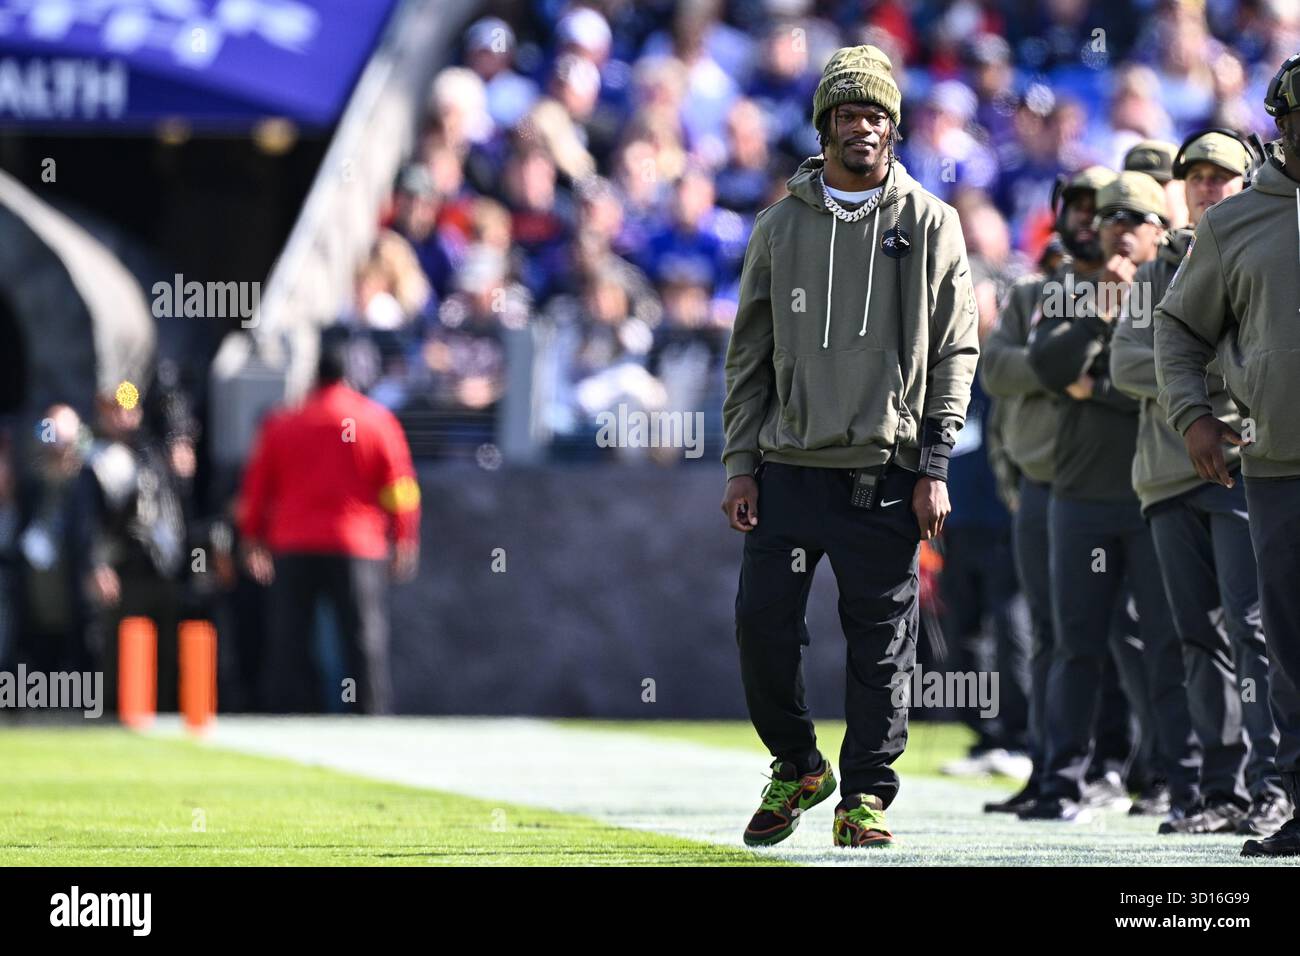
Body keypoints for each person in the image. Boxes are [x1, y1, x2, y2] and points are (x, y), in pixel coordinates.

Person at [720, 45, 978, 848]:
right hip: (791, 469)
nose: (859, 126)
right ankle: (797, 763)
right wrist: (739, 463)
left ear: (893, 129)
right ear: (823, 125)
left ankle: (863, 798)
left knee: (882, 650)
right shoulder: (780, 224)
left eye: (874, 114)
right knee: (762, 626)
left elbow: (956, 353)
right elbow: (749, 355)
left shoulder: (933, 222)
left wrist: (935, 467)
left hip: (889, 474)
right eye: (845, 113)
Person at [1112, 127, 1291, 837]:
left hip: (1244, 466)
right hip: (1167, 475)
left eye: (1221, 176)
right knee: (1198, 636)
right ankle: (1220, 790)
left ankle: (1272, 782)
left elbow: (1263, 353)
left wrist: (1197, 380)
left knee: (1256, 631)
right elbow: (1126, 361)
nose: (1208, 187)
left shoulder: (1260, 244)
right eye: (1196, 177)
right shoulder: (1159, 267)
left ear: (1245, 182)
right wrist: (1219, 377)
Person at [1154, 52, 1300, 857]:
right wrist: (1195, 415)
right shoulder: (1233, 222)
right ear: (1283, 125)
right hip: (1278, 463)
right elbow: (1178, 329)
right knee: (1287, 645)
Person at [1024, 171, 1201, 823]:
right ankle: (1060, 782)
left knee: (1167, 644)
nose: (1122, 230)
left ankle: (1177, 783)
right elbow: (1046, 369)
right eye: (1111, 218)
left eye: (1137, 219)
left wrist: (1094, 384)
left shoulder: (1182, 288)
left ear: (1161, 229)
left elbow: (1160, 383)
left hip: (1154, 489)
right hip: (1082, 496)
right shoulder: (1070, 287)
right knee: (1077, 644)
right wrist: (1100, 307)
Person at [980, 167, 1148, 815]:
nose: (1086, 217)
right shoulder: (1036, 294)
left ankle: (1115, 764)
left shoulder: (1135, 293)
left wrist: (1075, 373)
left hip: (1107, 484)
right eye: (1076, 206)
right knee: (1055, 635)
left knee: (1114, 635)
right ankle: (1052, 766)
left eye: (1098, 207)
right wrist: (1056, 374)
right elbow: (996, 368)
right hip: (1043, 486)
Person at [238, 334, 421, 714]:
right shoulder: (376, 422)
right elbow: (400, 488)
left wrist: (253, 538)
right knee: (362, 636)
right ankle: (367, 710)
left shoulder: (283, 423)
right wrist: (404, 536)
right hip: (357, 545)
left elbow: (257, 489)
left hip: (293, 544)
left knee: (290, 637)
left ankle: (290, 711)